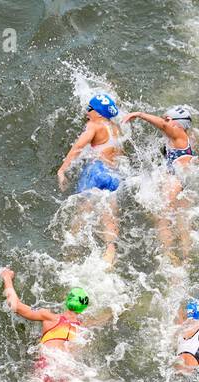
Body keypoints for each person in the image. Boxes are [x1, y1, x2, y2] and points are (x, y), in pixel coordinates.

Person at [122, 106, 196, 264]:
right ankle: (187, 257)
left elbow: (163, 126)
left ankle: (168, 254)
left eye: (168, 119)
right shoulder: (184, 139)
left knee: (162, 217)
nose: (164, 122)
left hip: (175, 180)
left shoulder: (178, 134)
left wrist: (139, 114)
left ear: (178, 124)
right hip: (183, 182)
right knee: (183, 221)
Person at [56, 93, 123, 265]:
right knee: (109, 213)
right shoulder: (116, 128)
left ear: (99, 113)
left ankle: (70, 255)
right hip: (115, 175)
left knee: (81, 212)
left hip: (97, 171)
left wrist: (62, 170)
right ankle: (110, 251)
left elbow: (78, 147)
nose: (86, 112)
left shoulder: (94, 125)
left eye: (90, 109)